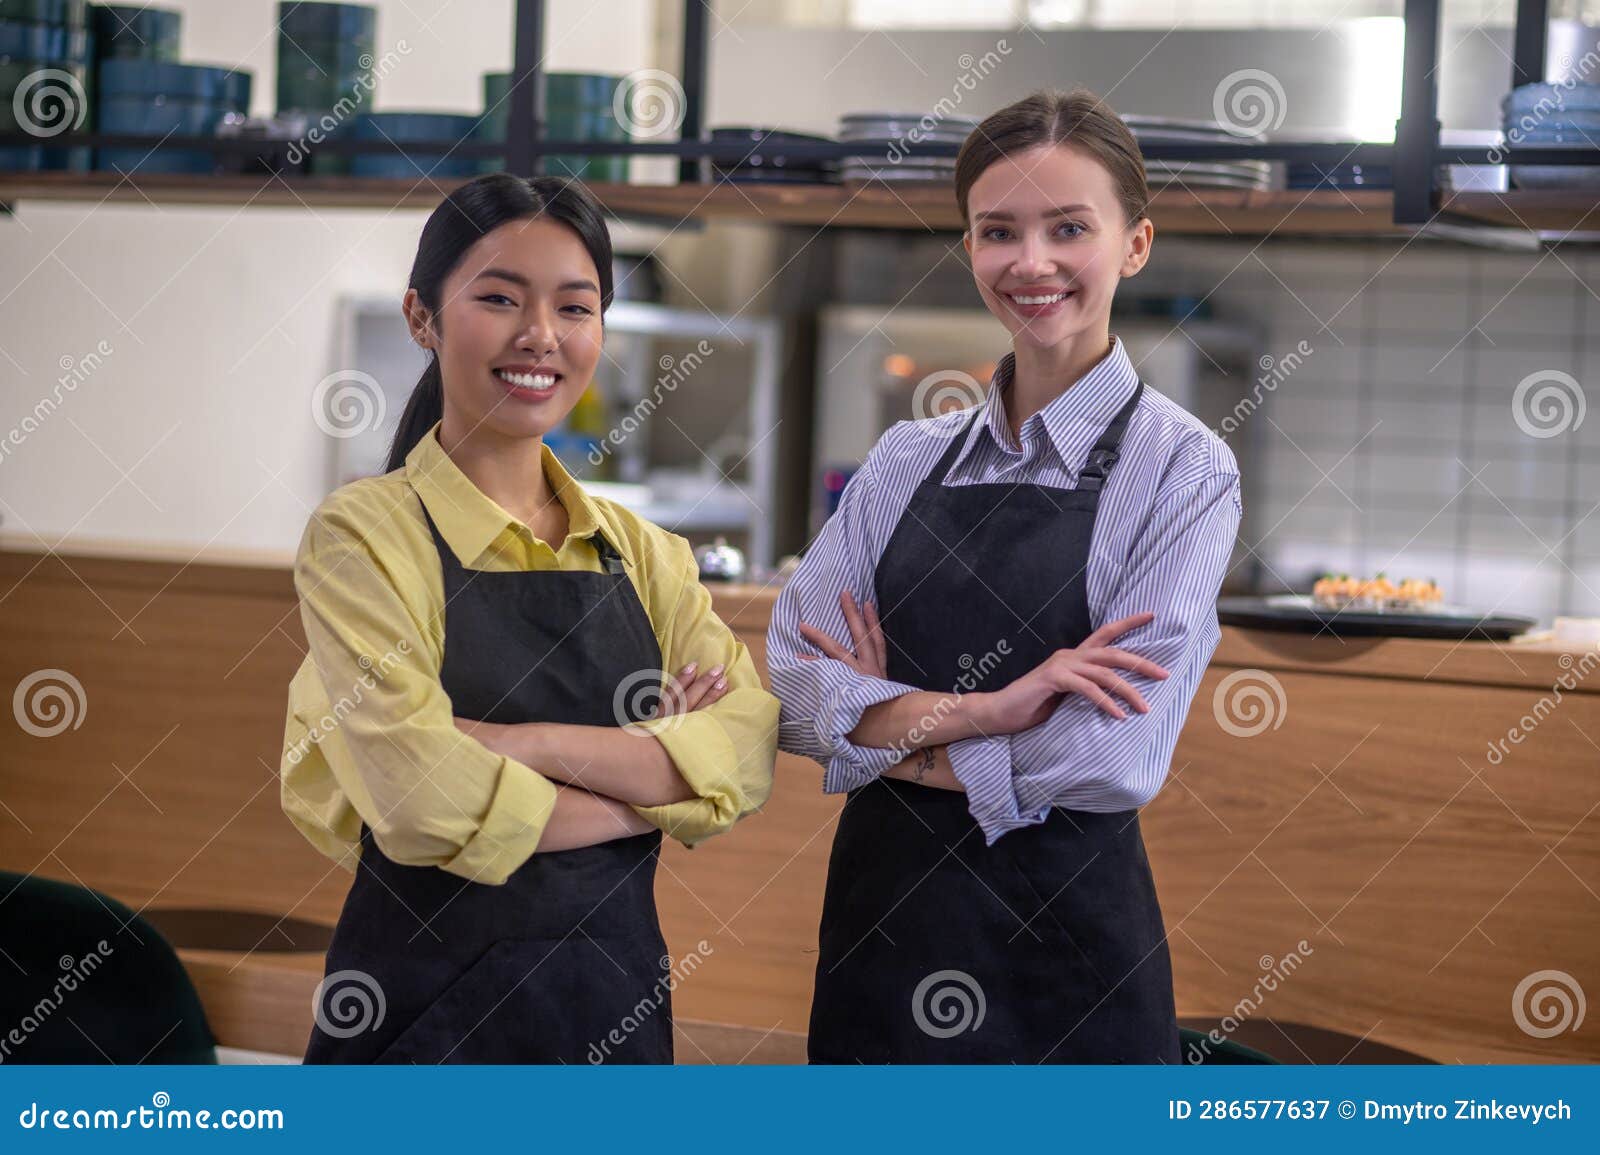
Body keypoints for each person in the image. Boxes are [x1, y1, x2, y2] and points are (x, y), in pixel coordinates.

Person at [767, 88, 1242, 1064]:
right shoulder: (903, 458)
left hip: (1061, 959)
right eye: (997, 232)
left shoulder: (1184, 470)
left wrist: (881, 733)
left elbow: (1107, 761)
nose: (1031, 264)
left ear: (1135, 244)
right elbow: (791, 694)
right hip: (882, 934)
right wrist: (991, 711)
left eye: (1069, 228)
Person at [280, 173, 778, 1064]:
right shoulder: (363, 536)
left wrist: (520, 743)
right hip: (415, 1030)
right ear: (422, 318)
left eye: (575, 308)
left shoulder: (647, 553)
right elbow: (419, 800)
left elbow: (742, 750)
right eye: (500, 298)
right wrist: (651, 786)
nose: (540, 336)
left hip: (613, 1017)